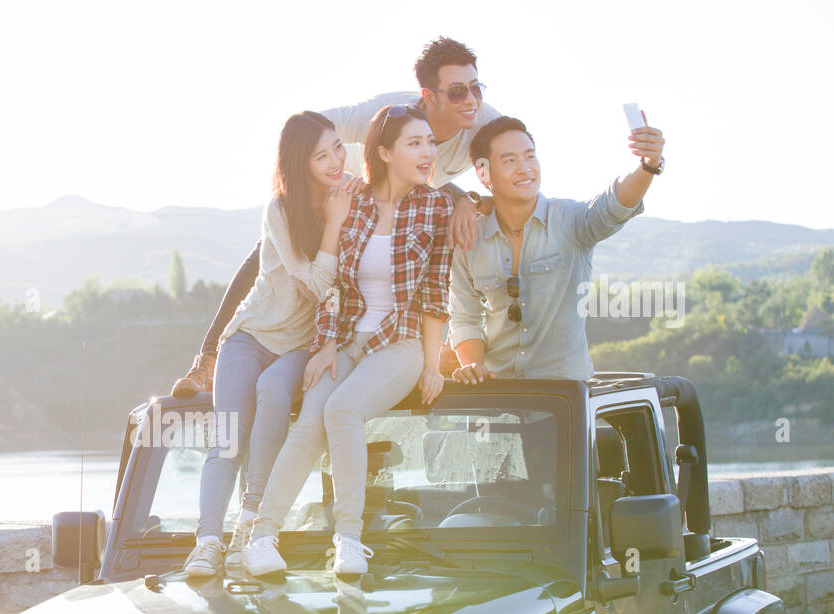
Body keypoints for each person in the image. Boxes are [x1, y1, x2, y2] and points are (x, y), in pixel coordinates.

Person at [172, 36, 499, 398]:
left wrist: (465, 199)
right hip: (354, 185)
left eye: (476, 88)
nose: (471, 100)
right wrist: (328, 184)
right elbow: (307, 132)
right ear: (428, 96)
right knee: (276, 239)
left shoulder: (484, 122)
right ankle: (209, 357)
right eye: (457, 92)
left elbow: (508, 166)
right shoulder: (385, 114)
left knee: (446, 232)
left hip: (409, 198)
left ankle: (450, 346)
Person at [242, 105, 452, 578]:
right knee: (309, 422)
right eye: (414, 143)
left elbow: (437, 292)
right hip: (347, 339)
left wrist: (434, 364)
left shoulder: (436, 207)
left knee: (342, 410)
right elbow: (332, 285)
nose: (427, 152)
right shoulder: (352, 200)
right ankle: (261, 538)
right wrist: (326, 345)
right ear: (385, 152)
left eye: (430, 142)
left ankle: (349, 540)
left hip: (399, 343)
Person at [182, 112, 361, 577]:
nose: (335, 160)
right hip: (251, 335)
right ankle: (206, 542)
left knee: (274, 391)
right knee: (226, 442)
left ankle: (248, 527)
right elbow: (314, 282)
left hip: (303, 344)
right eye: (321, 155)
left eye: (338, 148)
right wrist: (332, 227)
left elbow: (335, 292)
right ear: (300, 164)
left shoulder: (353, 199)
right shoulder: (279, 210)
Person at [447, 115, 666, 382]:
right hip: (495, 400)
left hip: (566, 402)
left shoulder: (569, 220)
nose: (525, 168)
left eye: (530, 157)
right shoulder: (470, 236)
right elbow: (464, 318)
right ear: (483, 172)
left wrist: (648, 166)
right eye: (509, 161)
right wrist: (472, 366)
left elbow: (614, 204)